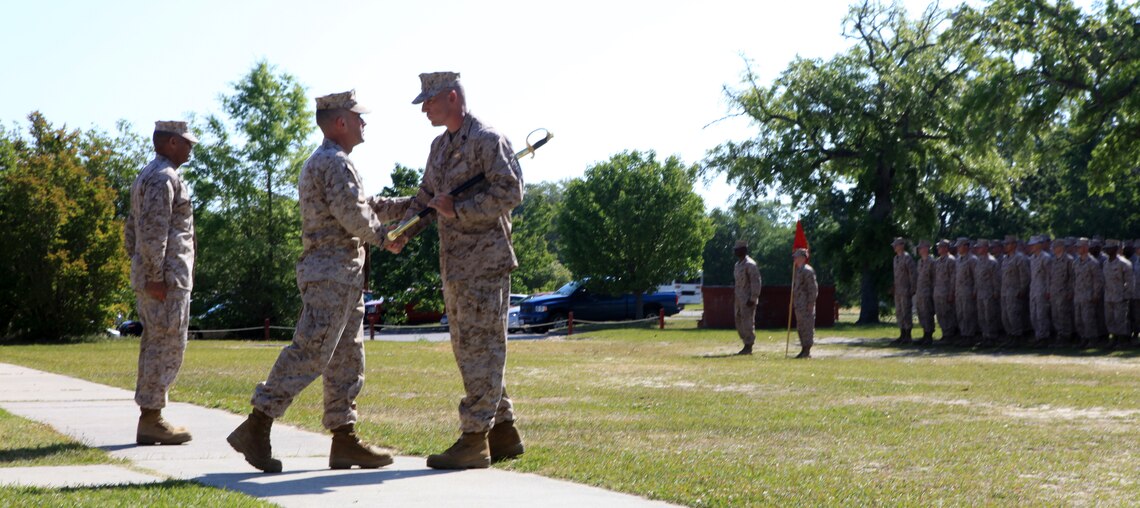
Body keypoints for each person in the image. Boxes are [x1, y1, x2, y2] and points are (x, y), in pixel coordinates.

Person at [228, 90, 408, 473]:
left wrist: (412, 204)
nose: (364, 124)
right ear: (340, 122)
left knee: (346, 358)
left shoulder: (331, 162)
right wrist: (385, 238)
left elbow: (365, 206)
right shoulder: (333, 162)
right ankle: (257, 424)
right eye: (359, 118)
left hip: (341, 274)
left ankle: (344, 439)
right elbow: (354, 216)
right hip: (331, 274)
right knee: (311, 351)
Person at [387, 72, 525, 469]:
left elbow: (511, 192)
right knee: (470, 351)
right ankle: (503, 431)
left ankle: (473, 439)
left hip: (485, 264)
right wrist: (402, 232)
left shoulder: (487, 139)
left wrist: (460, 209)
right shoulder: (439, 146)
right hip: (456, 266)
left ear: (451, 97)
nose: (425, 109)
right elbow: (427, 199)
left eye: (429, 101)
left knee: (483, 349)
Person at [124, 120, 198, 445]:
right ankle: (152, 419)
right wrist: (154, 275)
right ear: (170, 142)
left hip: (159, 276)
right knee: (166, 345)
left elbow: (130, 230)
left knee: (157, 343)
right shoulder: (163, 177)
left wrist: (140, 265)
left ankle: (151, 417)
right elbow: (153, 231)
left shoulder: (147, 175)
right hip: (165, 280)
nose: (190, 147)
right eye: (186, 141)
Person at [732, 240, 762, 355]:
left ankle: (748, 345)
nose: (735, 251)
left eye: (737, 249)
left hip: (748, 299)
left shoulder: (750, 264)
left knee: (747, 322)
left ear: (743, 250)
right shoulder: (737, 264)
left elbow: (756, 282)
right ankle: (745, 342)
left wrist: (753, 298)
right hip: (739, 299)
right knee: (739, 321)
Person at [1102, 239, 1133, 349]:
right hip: (1108, 296)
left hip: (1120, 296)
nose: (1106, 250)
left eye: (1108, 248)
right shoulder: (1105, 263)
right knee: (1109, 319)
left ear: (1115, 249)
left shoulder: (1124, 263)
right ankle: (1113, 339)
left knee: (1120, 319)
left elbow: (1129, 281)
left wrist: (1127, 295)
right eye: (1106, 248)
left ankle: (1122, 340)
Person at [999, 235, 1030, 346]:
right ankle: (1010, 335)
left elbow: (1025, 276)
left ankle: (1018, 336)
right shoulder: (1005, 258)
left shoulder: (1019, 258)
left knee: (1014, 314)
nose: (1005, 246)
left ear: (1014, 245)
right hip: (1005, 291)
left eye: (1007, 244)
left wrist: (1022, 289)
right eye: (1005, 244)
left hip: (1014, 291)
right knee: (1005, 315)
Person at [1073, 238, 1103, 348]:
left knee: (1088, 318)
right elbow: (1074, 279)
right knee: (1078, 319)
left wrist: (1096, 294)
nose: (1077, 249)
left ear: (1086, 247)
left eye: (1079, 246)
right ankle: (1083, 339)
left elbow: (1098, 280)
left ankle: (1092, 339)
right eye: (1077, 247)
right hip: (1078, 295)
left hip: (1088, 295)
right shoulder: (1076, 262)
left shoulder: (1093, 262)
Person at [1048, 239, 1075, 347]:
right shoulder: (1053, 260)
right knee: (1055, 315)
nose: (1053, 249)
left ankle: (1066, 336)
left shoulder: (1069, 260)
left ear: (1060, 247)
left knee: (1064, 314)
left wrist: (1070, 291)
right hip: (1054, 291)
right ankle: (1059, 336)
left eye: (1055, 247)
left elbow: (1072, 277)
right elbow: (1050, 277)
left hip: (1064, 291)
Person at [974, 240, 1001, 347]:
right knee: (982, 316)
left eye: (979, 247)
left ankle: (992, 337)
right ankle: (985, 336)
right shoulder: (979, 261)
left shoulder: (992, 262)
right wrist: (975, 290)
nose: (977, 249)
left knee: (989, 316)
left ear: (985, 248)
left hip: (989, 292)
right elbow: (977, 278)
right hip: (980, 292)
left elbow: (996, 279)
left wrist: (995, 291)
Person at [1027, 236, 1053, 347]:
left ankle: (1044, 337)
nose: (1030, 247)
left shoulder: (1046, 258)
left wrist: (1048, 290)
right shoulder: (1032, 258)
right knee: (1033, 314)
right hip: (1034, 289)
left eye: (1033, 245)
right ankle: (1038, 336)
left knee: (1041, 314)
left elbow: (1049, 276)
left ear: (1038, 245)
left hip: (1042, 289)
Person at [792, 248, 818, 358]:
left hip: (806, 304)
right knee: (800, 327)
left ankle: (807, 350)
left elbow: (813, 288)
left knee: (807, 327)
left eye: (796, 257)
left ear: (802, 257)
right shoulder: (797, 271)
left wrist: (811, 303)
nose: (795, 259)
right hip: (799, 304)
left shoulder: (807, 270)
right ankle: (803, 349)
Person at [890, 237, 916, 345]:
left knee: (906, 312)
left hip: (906, 289)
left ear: (901, 245)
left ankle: (908, 335)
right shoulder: (895, 259)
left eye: (896, 245)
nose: (894, 247)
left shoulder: (907, 258)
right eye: (894, 245)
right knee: (899, 312)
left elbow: (912, 274)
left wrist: (913, 288)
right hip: (898, 290)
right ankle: (902, 334)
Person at [932, 239, 958, 344]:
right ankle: (944, 333)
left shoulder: (951, 260)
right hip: (938, 291)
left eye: (940, 247)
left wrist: (951, 292)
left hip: (946, 291)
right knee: (940, 314)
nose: (938, 248)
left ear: (946, 248)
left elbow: (953, 277)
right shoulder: (938, 261)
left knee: (948, 313)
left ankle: (950, 335)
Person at [954, 238, 978, 346]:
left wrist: (975, 290)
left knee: (968, 314)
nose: (958, 248)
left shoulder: (972, 259)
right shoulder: (958, 259)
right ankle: (964, 335)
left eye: (960, 246)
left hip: (968, 290)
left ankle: (970, 336)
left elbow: (976, 277)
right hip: (959, 291)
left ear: (966, 246)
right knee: (961, 314)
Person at [913, 240, 936, 345]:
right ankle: (924, 334)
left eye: (921, 247)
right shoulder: (920, 262)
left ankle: (929, 335)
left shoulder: (932, 261)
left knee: (928, 313)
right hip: (920, 291)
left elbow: (934, 278)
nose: (919, 249)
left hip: (928, 291)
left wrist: (932, 291)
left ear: (926, 248)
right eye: (919, 248)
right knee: (921, 313)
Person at [1130, 240, 1140, 345]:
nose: (1137, 250)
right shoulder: (1134, 261)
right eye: (1136, 248)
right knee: (1136, 316)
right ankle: (1136, 335)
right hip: (1135, 293)